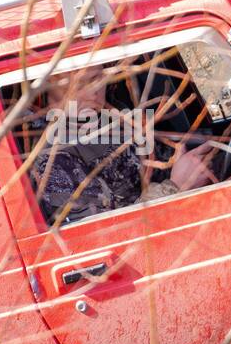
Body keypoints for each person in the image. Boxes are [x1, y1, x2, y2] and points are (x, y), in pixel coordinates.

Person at [31, 65, 146, 225]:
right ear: (49, 85)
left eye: (99, 79)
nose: (93, 93)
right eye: (81, 84)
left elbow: (159, 161)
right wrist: (173, 187)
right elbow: (106, 235)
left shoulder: (116, 117)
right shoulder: (51, 162)